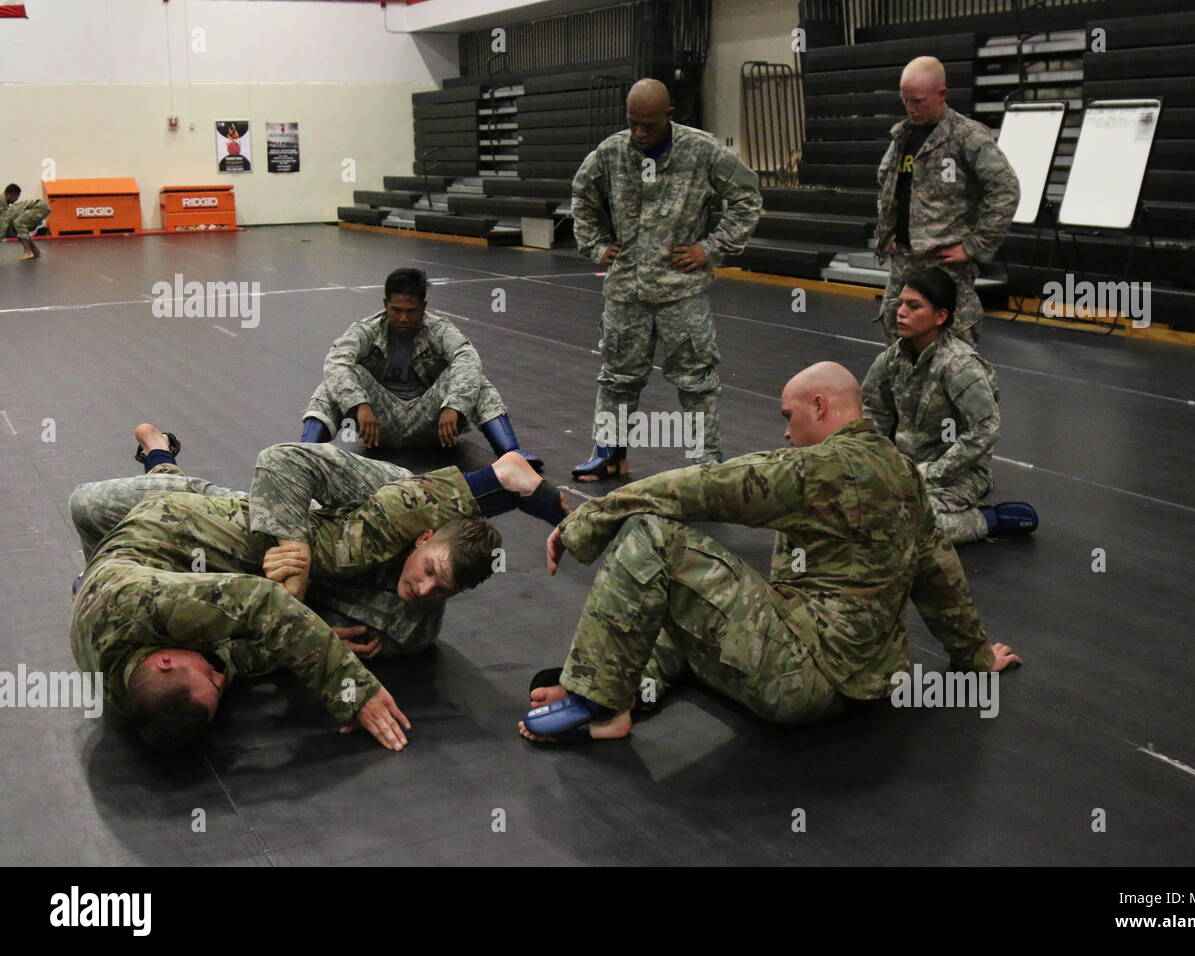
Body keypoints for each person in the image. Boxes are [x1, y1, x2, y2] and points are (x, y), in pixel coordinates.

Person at [520, 362, 1021, 742]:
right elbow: (938, 572)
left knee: (652, 537)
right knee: (695, 592)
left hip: (800, 681)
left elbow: (705, 486)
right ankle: (626, 683)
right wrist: (974, 655)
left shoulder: (819, 468)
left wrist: (592, 516)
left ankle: (603, 705)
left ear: (821, 407)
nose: (786, 431)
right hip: (864, 685)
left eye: (791, 416)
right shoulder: (903, 470)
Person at [70, 424, 563, 751]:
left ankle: (492, 481)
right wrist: (304, 644)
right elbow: (230, 655)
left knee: (308, 560)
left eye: (212, 678)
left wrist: (351, 691)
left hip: (183, 529)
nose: (222, 676)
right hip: (156, 559)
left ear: (164, 658)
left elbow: (263, 603)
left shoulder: (136, 607)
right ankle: (159, 454)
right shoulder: (134, 689)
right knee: (103, 502)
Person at [569, 77, 762, 481]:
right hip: (626, 290)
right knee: (618, 376)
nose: (639, 133)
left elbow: (748, 197)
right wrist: (597, 245)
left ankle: (705, 462)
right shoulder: (610, 153)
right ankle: (609, 454)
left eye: (649, 125)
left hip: (682, 290)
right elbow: (582, 197)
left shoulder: (703, 150)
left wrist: (710, 249)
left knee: (696, 379)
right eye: (633, 122)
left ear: (670, 116)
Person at [299, 267, 542, 470]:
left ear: (423, 307)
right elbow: (336, 360)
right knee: (334, 382)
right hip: (379, 424)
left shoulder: (439, 330)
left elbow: (467, 358)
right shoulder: (366, 330)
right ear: (385, 305)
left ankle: (511, 453)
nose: (403, 318)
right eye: (396, 310)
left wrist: (455, 405)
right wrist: (358, 404)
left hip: (432, 424)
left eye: (411, 311)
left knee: (473, 375)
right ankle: (305, 455)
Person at [860, 268, 1038, 544]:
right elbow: (873, 413)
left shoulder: (959, 366)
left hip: (955, 474)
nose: (900, 312)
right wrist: (872, 462)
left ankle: (989, 521)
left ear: (940, 316)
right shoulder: (893, 358)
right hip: (904, 468)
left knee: (901, 527)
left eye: (914, 306)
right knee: (851, 507)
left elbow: (985, 430)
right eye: (901, 303)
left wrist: (933, 473)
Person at [873, 57, 1019, 345]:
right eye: (905, 101)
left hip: (945, 265)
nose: (911, 108)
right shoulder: (902, 135)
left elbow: (1005, 189)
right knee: (895, 337)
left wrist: (974, 245)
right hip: (904, 260)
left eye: (918, 101)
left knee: (953, 346)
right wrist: (888, 232)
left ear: (942, 94)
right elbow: (889, 185)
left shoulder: (967, 137)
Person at [1, 183, 51, 260]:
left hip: (40, 207)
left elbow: (4, 226)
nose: (17, 199)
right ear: (10, 195)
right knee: (19, 228)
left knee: (19, 223)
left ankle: (28, 252)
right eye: (17, 196)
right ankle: (35, 251)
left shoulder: (4, 205)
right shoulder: (3, 203)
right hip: (40, 207)